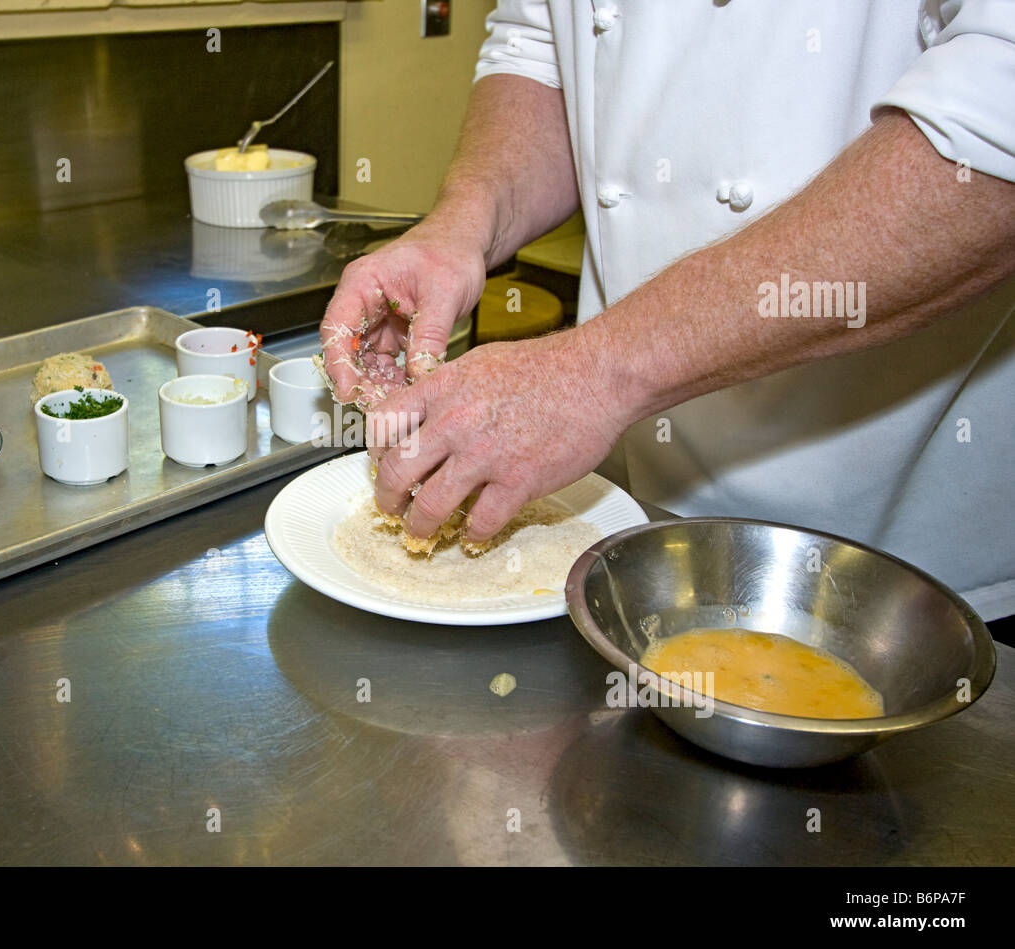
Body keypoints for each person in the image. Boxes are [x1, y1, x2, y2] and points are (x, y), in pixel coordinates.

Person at [318, 0, 1015, 624]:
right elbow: (540, 55)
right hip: (638, 511)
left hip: (897, 552)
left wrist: (597, 371)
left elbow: (992, 129)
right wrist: (462, 228)